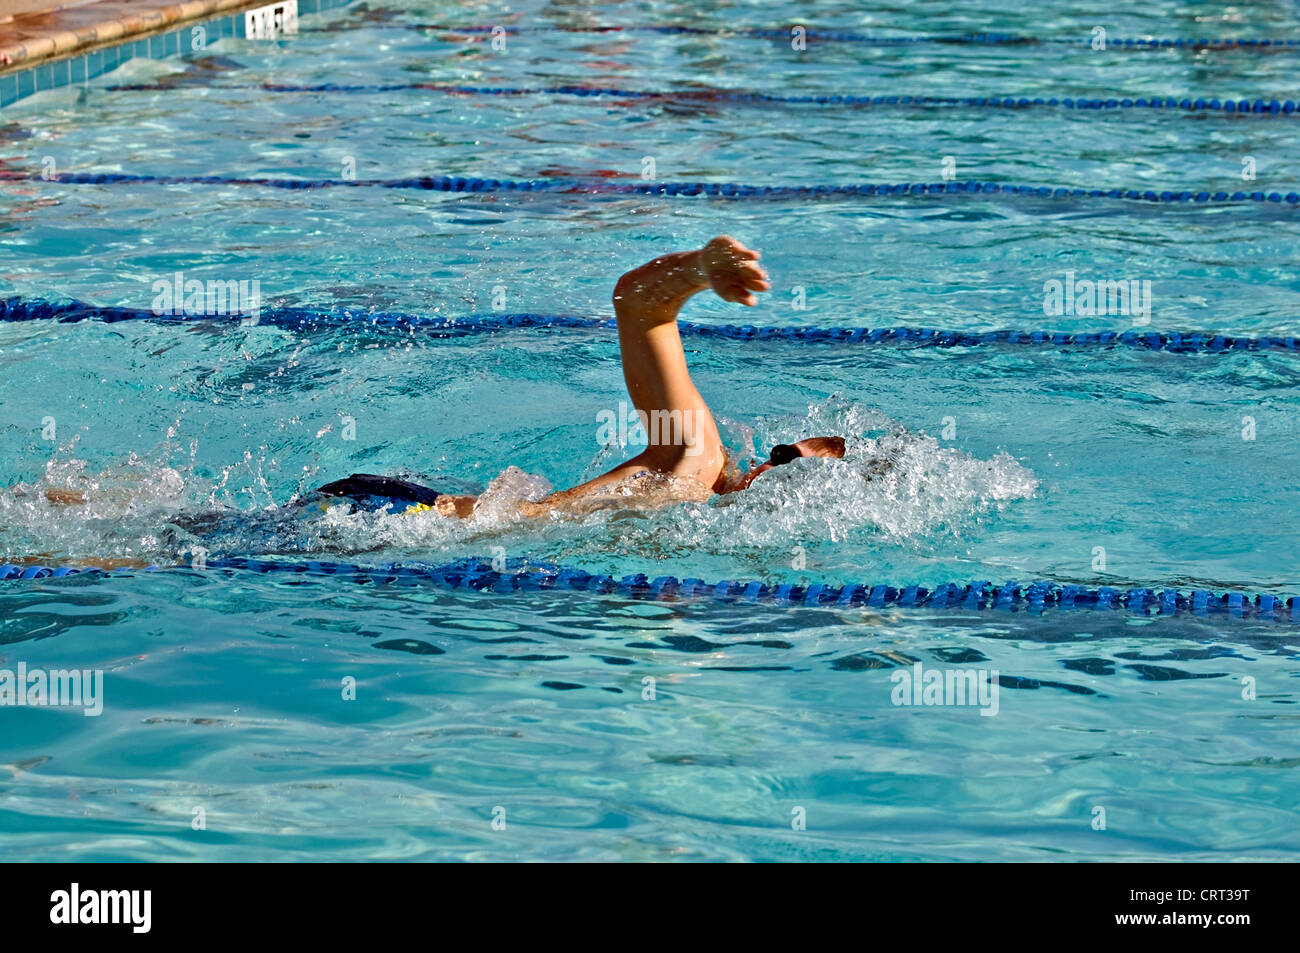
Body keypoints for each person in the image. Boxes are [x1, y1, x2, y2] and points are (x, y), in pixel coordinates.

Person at [34, 237, 848, 525]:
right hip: (395, 515)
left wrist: (699, 274)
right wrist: (700, 272)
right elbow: (639, 305)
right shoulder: (693, 464)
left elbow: (634, 305)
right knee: (154, 542)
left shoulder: (689, 484)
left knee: (170, 526)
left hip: (398, 506)